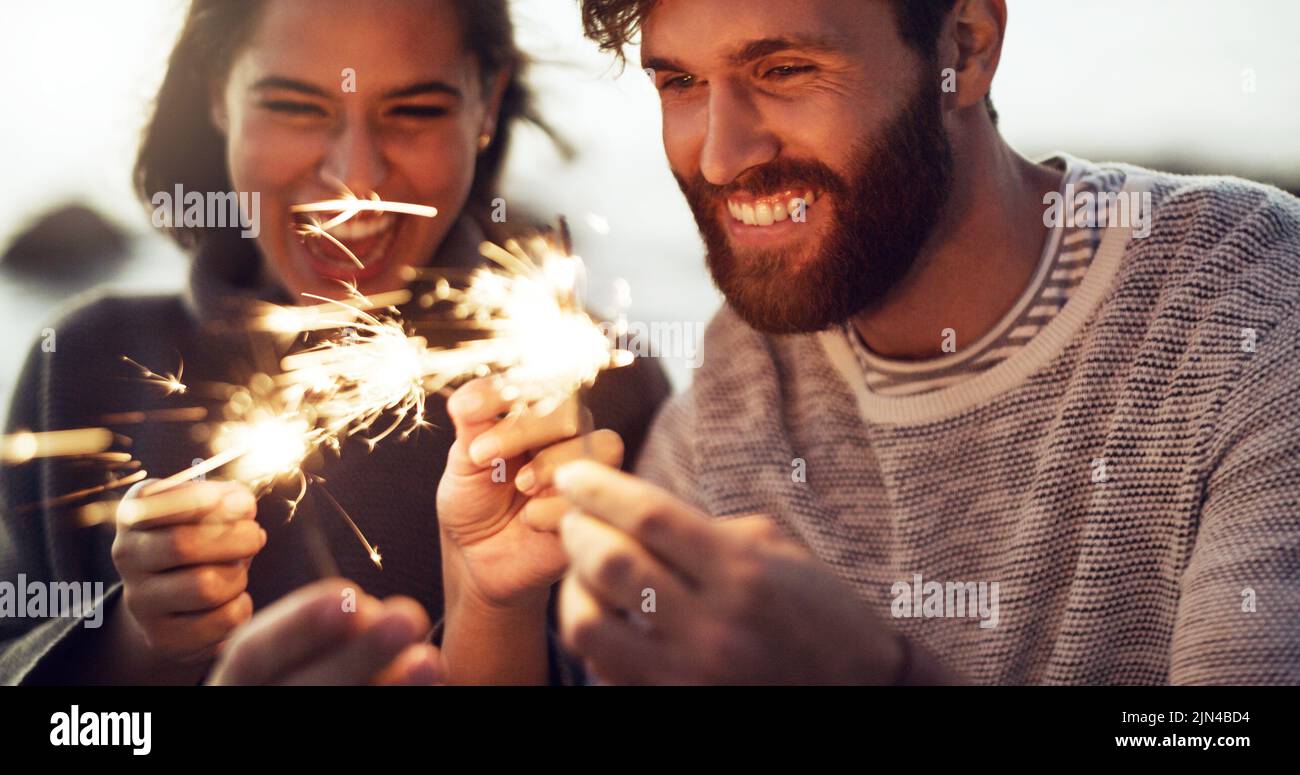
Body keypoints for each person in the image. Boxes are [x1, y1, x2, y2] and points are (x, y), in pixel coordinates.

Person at [440, 0, 1300, 684]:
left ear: (964, 45)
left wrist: (879, 676)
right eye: (679, 82)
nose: (719, 154)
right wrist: (491, 598)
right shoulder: (740, 384)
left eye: (783, 69)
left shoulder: (1245, 299)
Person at [0, 0, 669, 685]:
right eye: (295, 107)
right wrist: (135, 645)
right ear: (216, 96)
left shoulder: (601, 401)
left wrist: (494, 613)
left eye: (413, 111)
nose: (355, 181)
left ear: (487, 105)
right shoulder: (83, 368)